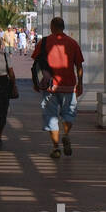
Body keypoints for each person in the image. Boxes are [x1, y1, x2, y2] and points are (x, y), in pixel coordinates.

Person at [32, 17, 85, 159]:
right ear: (63, 27)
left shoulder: (44, 42)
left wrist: (36, 83)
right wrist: (80, 83)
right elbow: (79, 66)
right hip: (68, 85)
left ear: (52, 27)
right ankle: (66, 135)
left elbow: (36, 63)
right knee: (69, 113)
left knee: (51, 116)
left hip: (49, 86)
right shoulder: (73, 43)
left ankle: (56, 148)